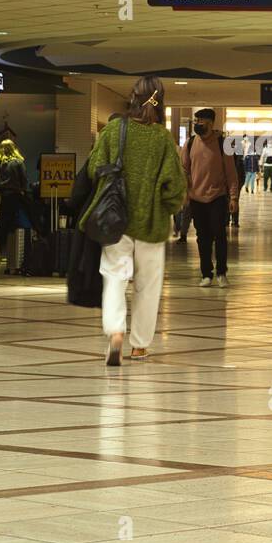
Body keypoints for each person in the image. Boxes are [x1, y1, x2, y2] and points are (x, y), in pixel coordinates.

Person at [77, 76, 186, 366]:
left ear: (133, 98)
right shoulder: (162, 138)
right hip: (151, 224)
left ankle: (115, 332)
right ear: (160, 102)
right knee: (148, 286)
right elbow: (174, 186)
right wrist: (170, 207)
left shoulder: (113, 130)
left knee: (114, 277)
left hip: (114, 220)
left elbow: (94, 169)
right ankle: (139, 346)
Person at [181, 108, 239, 287]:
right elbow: (183, 170)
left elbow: (231, 173)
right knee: (202, 237)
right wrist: (184, 193)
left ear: (211, 123)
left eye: (201, 121)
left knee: (219, 235)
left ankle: (222, 272)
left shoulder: (223, 143)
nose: (197, 124)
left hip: (217, 197)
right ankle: (206, 273)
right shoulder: (190, 143)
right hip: (196, 198)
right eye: (196, 121)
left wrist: (234, 198)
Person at [0, 139, 30, 272]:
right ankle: (18, 262)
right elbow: (24, 181)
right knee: (20, 227)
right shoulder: (19, 163)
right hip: (17, 198)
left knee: (4, 227)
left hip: (3, 199)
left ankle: (5, 259)